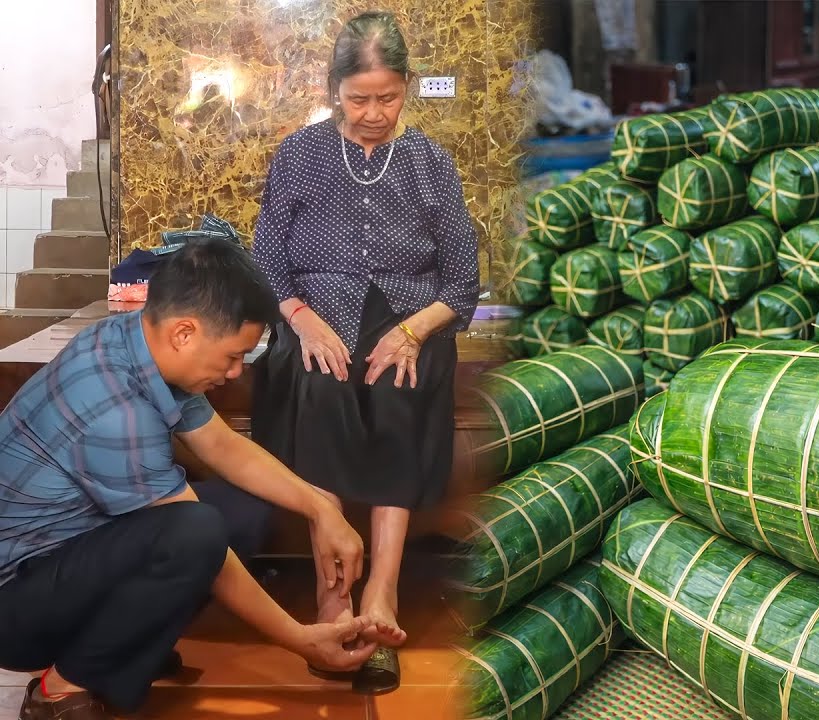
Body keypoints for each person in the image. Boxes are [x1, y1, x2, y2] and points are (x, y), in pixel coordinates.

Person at [0, 238, 387, 720]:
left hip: (68, 552)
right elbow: (201, 546)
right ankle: (60, 688)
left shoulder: (138, 341)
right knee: (197, 532)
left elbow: (222, 446)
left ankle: (125, 644)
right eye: (231, 356)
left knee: (243, 511)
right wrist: (303, 641)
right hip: (15, 602)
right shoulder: (112, 404)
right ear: (185, 333)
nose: (234, 372)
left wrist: (320, 507)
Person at [250, 10, 480, 695]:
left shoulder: (432, 165)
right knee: (317, 385)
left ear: (406, 86)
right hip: (314, 312)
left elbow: (462, 284)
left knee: (398, 387)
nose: (374, 112)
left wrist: (413, 330)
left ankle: (382, 594)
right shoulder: (300, 154)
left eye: (388, 96)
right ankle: (333, 596)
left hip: (409, 318)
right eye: (359, 98)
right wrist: (300, 318)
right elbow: (265, 262)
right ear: (334, 91)